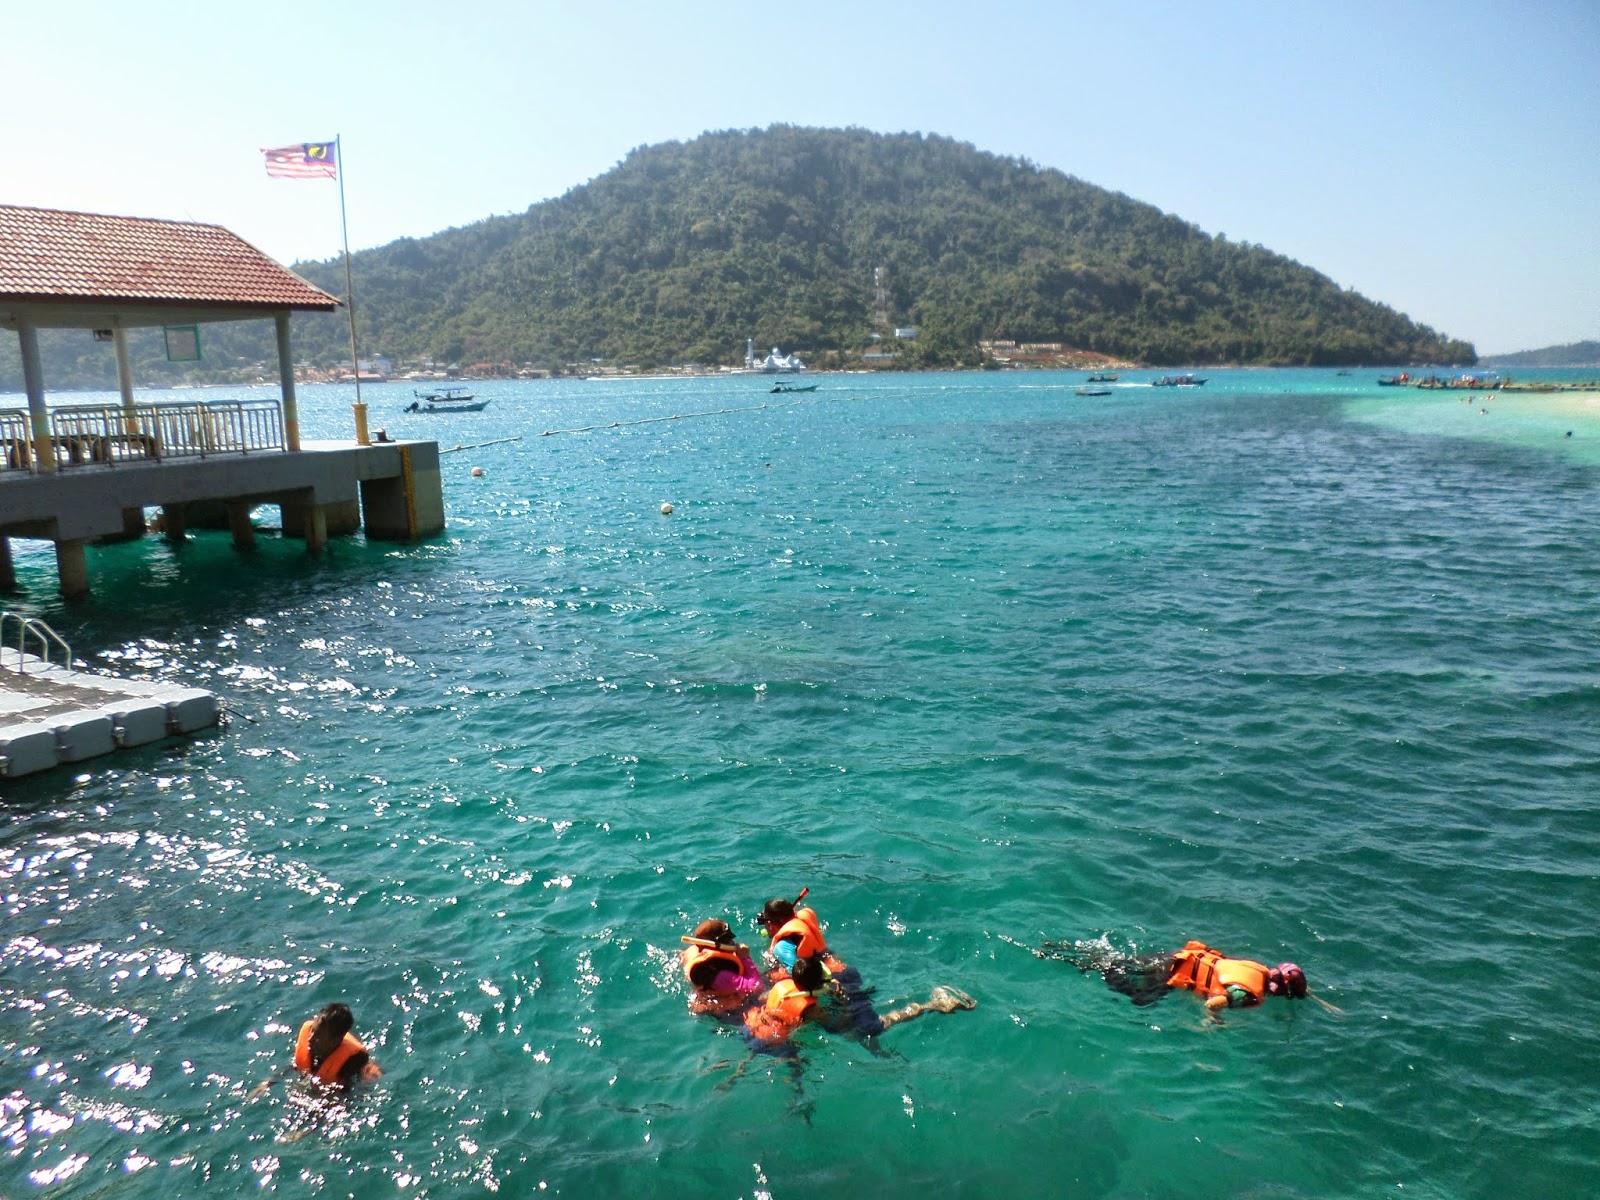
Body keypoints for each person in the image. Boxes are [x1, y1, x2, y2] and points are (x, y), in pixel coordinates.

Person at [742, 955, 975, 1051]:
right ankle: (934, 1005)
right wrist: (844, 1002)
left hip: (752, 1030)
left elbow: (765, 1000)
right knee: (870, 1030)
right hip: (775, 1044)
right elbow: (839, 1023)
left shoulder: (782, 986)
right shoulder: (810, 1007)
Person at [1040, 937, 1322, 1015]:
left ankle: (1063, 950)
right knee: (1142, 1000)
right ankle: (1101, 968)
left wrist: (1322, 1001)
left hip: (1176, 958)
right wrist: (1213, 1022)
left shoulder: (1257, 969)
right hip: (1173, 974)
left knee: (1124, 961)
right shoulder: (1247, 994)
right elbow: (1214, 1003)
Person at [681, 918, 764, 1019]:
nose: (732, 942)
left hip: (712, 996)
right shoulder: (721, 974)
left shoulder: (704, 960)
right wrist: (745, 958)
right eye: (727, 940)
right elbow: (757, 987)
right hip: (728, 1013)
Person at [294, 1002, 382, 1085]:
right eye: (312, 1030)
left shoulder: (352, 1063)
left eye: (318, 1036)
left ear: (334, 1042)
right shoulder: (313, 1046)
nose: (310, 1038)